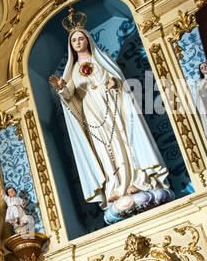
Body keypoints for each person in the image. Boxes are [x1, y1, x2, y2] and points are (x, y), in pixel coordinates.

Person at [48, 23, 170, 217]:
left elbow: (117, 79)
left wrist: (115, 83)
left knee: (121, 142)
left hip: (111, 108)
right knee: (103, 150)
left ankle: (134, 181)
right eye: (73, 40)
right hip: (91, 114)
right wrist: (61, 88)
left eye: (80, 38)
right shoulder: (70, 71)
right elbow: (69, 96)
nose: (78, 42)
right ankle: (115, 186)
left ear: (87, 40)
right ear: (70, 45)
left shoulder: (101, 59)